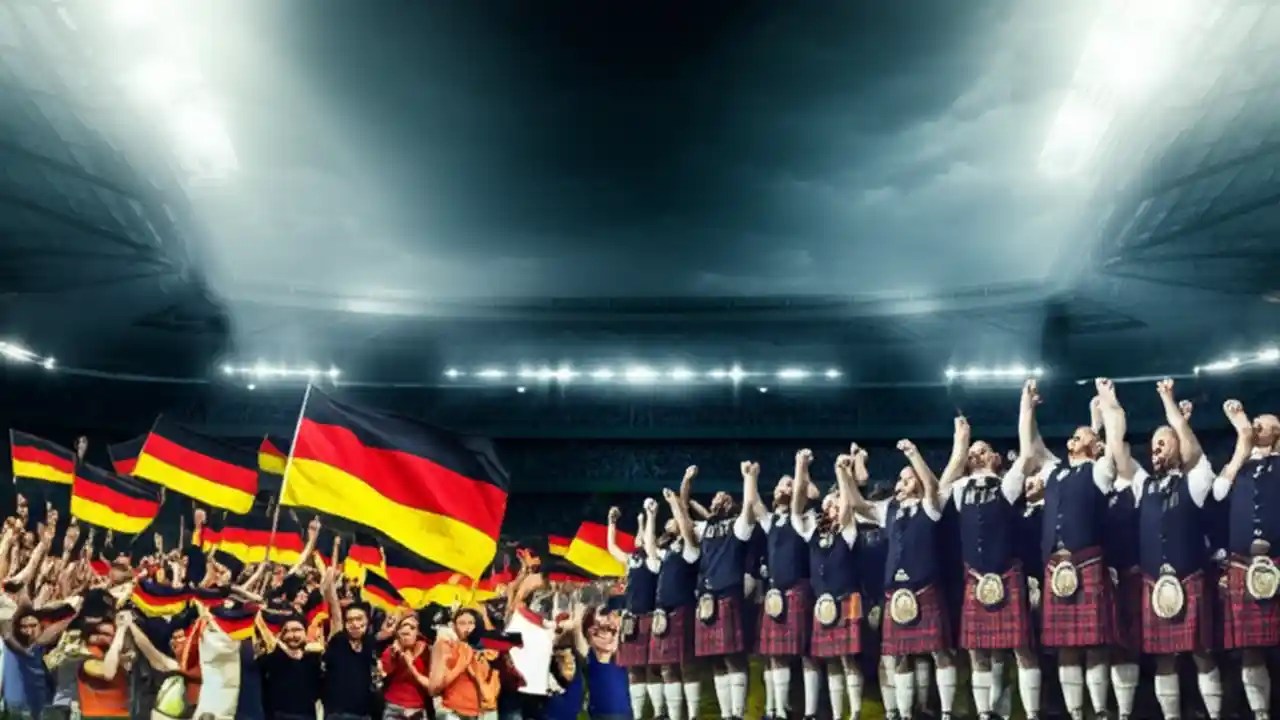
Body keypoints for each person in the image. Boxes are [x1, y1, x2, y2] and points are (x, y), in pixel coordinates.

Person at [1104, 379, 1221, 720]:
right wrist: (1110, 405)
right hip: (1154, 585)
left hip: (1190, 578)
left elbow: (1191, 446)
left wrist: (1169, 403)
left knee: (1202, 653)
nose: (1155, 449)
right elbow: (1116, 447)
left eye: (1163, 443)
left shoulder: (1198, 479)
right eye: (1153, 445)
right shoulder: (1143, 485)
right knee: (1163, 657)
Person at [1028, 378, 1118, 720]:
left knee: (1093, 644)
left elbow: (1113, 441)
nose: (1072, 439)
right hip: (1055, 566)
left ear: (1093, 446)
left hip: (1087, 563)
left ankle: (1100, 710)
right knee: (1065, 645)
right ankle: (1076, 713)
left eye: (1080, 436)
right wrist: (1028, 407)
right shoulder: (1055, 472)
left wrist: (1107, 404)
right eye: (1073, 435)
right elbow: (1031, 446)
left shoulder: (1099, 471)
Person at [848, 439, 956, 720]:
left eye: (908, 479)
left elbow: (931, 486)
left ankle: (945, 713)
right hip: (895, 591)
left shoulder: (930, 505)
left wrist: (913, 454)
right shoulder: (889, 509)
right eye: (900, 478)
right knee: (899, 655)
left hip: (926, 586)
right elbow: (859, 505)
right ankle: (905, 714)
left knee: (939, 652)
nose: (902, 482)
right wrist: (846, 475)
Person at [1212, 400, 1280, 720]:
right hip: (1243, 564)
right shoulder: (1239, 466)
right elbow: (1219, 493)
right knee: (1250, 648)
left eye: (1263, 425)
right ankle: (1260, 713)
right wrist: (1241, 446)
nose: (1256, 428)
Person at [744, 470, 812, 720]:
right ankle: (772, 709)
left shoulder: (802, 517)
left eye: (790, 486)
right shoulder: (770, 520)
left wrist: (800, 467)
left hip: (795, 592)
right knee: (771, 655)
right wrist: (750, 476)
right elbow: (753, 503)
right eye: (782, 485)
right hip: (774, 596)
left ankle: (785, 711)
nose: (785, 489)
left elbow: (803, 497)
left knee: (791, 655)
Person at [650, 476, 702, 720]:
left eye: (675, 520)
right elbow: (650, 550)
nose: (671, 523)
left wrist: (675, 502)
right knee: (667, 666)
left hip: (683, 609)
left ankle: (691, 715)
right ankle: (671, 716)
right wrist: (650, 518)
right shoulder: (668, 550)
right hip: (664, 611)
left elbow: (684, 521)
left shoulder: (691, 547)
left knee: (686, 664)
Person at [606, 502, 661, 720]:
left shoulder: (655, 560)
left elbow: (648, 542)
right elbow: (612, 548)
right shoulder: (632, 560)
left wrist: (648, 517)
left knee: (653, 669)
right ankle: (638, 715)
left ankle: (659, 712)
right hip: (631, 619)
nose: (638, 539)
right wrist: (611, 522)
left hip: (649, 616)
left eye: (643, 535)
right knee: (634, 669)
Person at [257, 615, 323, 720]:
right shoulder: (269, 661)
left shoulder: (314, 660)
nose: (293, 635)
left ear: (305, 633)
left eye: (297, 630)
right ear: (281, 635)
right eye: (287, 631)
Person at [378, 615, 429, 719]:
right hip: (394, 705)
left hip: (417, 707)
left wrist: (411, 663)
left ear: (417, 632)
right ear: (397, 633)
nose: (407, 633)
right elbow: (384, 672)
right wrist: (394, 655)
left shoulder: (426, 652)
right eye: (404, 628)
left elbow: (431, 682)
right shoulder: (390, 651)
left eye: (412, 628)